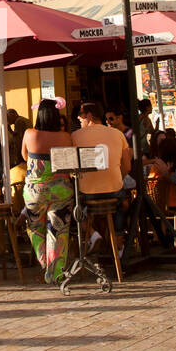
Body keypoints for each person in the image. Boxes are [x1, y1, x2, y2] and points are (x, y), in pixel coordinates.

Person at [21, 98, 75, 284]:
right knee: (59, 230)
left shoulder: (29, 133)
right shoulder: (65, 137)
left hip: (35, 191)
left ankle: (45, 263)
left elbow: (24, 155)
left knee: (35, 228)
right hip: (61, 189)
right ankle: (56, 272)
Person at [73, 102, 134, 255]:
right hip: (113, 190)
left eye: (80, 116)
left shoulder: (75, 136)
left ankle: (92, 233)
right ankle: (118, 240)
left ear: (88, 115)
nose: (78, 119)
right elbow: (127, 167)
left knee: (74, 207)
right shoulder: (118, 134)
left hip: (87, 193)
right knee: (120, 203)